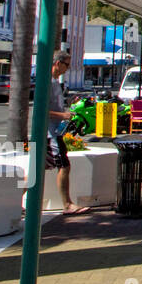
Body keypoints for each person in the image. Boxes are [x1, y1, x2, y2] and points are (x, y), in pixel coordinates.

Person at [45, 51, 80, 215]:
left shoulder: (54, 82)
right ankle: (67, 204)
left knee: (37, 169)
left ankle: (17, 203)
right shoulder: (48, 82)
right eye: (66, 64)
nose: (68, 68)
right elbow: (42, 111)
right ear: (57, 63)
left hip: (53, 131)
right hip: (49, 133)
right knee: (64, 166)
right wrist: (63, 115)